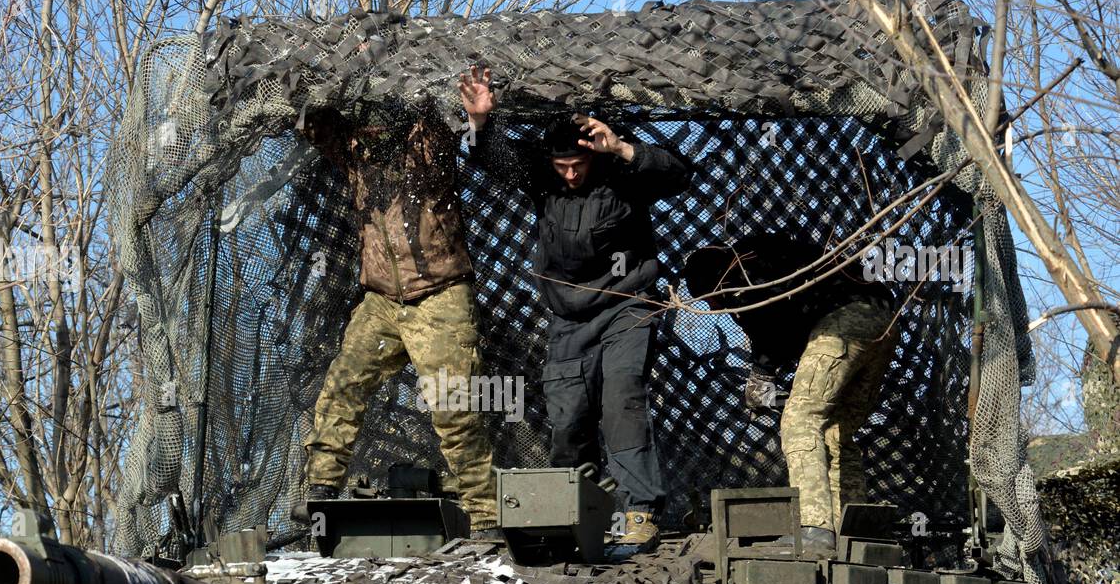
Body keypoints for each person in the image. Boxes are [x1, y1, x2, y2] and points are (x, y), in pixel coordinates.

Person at [458, 66, 691, 548]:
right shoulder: (543, 179)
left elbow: (679, 174)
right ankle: (574, 516)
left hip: (628, 305)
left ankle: (641, 512)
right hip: (568, 319)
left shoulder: (624, 175)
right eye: (561, 166)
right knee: (569, 418)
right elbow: (494, 161)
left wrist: (624, 149)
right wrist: (481, 124)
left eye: (577, 166)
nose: (569, 174)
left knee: (622, 397)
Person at [292, 101, 499, 536]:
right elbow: (314, 123)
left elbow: (455, 124)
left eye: (381, 124)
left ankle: (485, 517)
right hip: (382, 298)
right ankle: (322, 493)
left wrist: (473, 117)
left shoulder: (427, 141)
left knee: (454, 408)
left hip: (439, 295)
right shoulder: (354, 150)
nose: (373, 133)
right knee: (344, 384)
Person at [681, 234, 898, 548]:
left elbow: (775, 323)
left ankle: (815, 529)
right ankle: (854, 534)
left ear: (713, 284)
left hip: (844, 320)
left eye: (708, 299)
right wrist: (768, 380)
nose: (713, 307)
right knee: (835, 432)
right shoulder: (762, 253)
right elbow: (787, 320)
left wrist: (761, 373)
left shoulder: (744, 274)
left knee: (800, 421)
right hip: (883, 319)